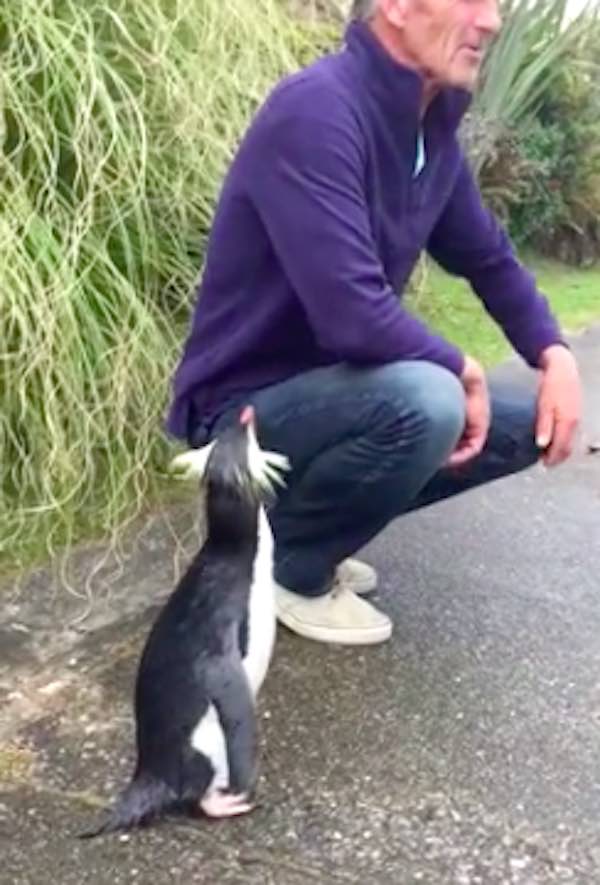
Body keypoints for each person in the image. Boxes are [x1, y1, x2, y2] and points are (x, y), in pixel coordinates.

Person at [165, 0, 582, 645]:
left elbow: (489, 257)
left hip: (332, 398)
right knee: (431, 399)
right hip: (239, 419)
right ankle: (288, 567)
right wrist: (463, 368)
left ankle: (304, 525)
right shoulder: (316, 111)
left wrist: (554, 354)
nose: (492, 21)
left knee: (525, 425)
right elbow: (352, 314)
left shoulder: (428, 132)